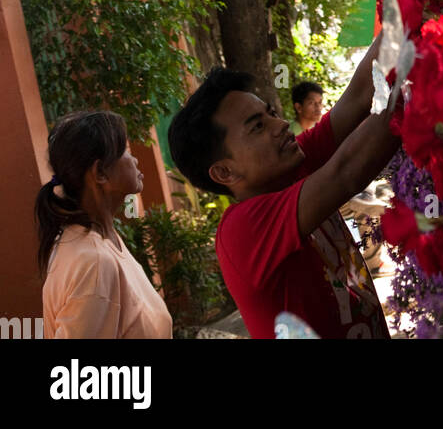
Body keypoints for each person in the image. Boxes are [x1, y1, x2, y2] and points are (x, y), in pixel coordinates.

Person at [167, 36, 397, 340]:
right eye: (257, 127)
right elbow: (346, 172)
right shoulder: (241, 229)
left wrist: (407, 8)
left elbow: (356, 98)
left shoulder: (291, 164)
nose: (281, 125)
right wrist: (420, 83)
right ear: (224, 171)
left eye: (271, 114)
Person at [36, 110, 173, 339]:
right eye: (126, 151)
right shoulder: (95, 262)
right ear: (100, 173)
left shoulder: (100, 238)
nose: (135, 159)